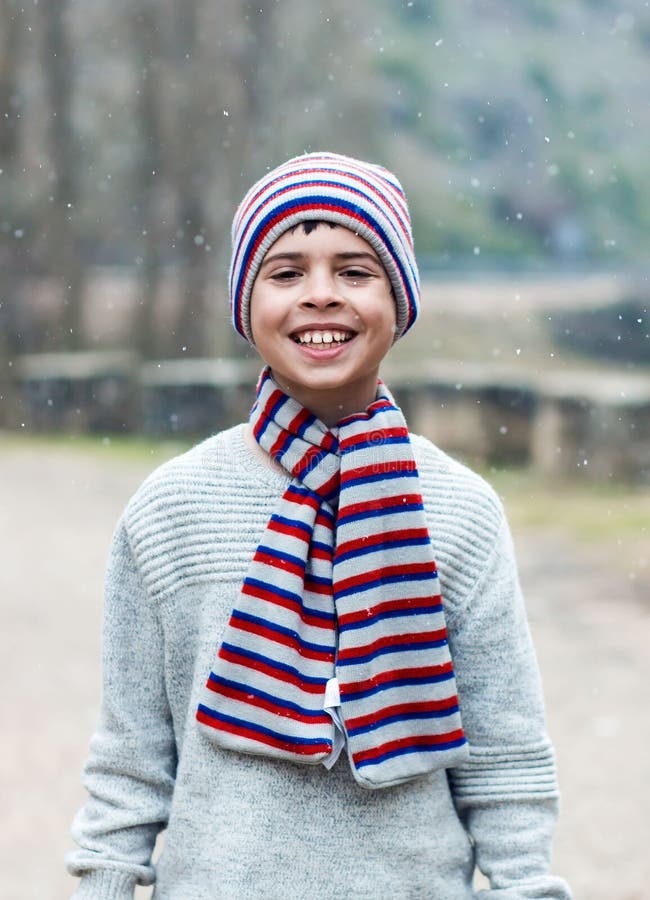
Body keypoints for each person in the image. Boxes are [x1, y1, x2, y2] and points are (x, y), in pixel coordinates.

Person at [67, 152, 571, 899]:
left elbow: (507, 760)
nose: (321, 297)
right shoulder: (170, 508)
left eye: (356, 271)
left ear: (399, 300)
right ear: (246, 305)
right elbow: (130, 764)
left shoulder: (460, 513)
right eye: (286, 272)